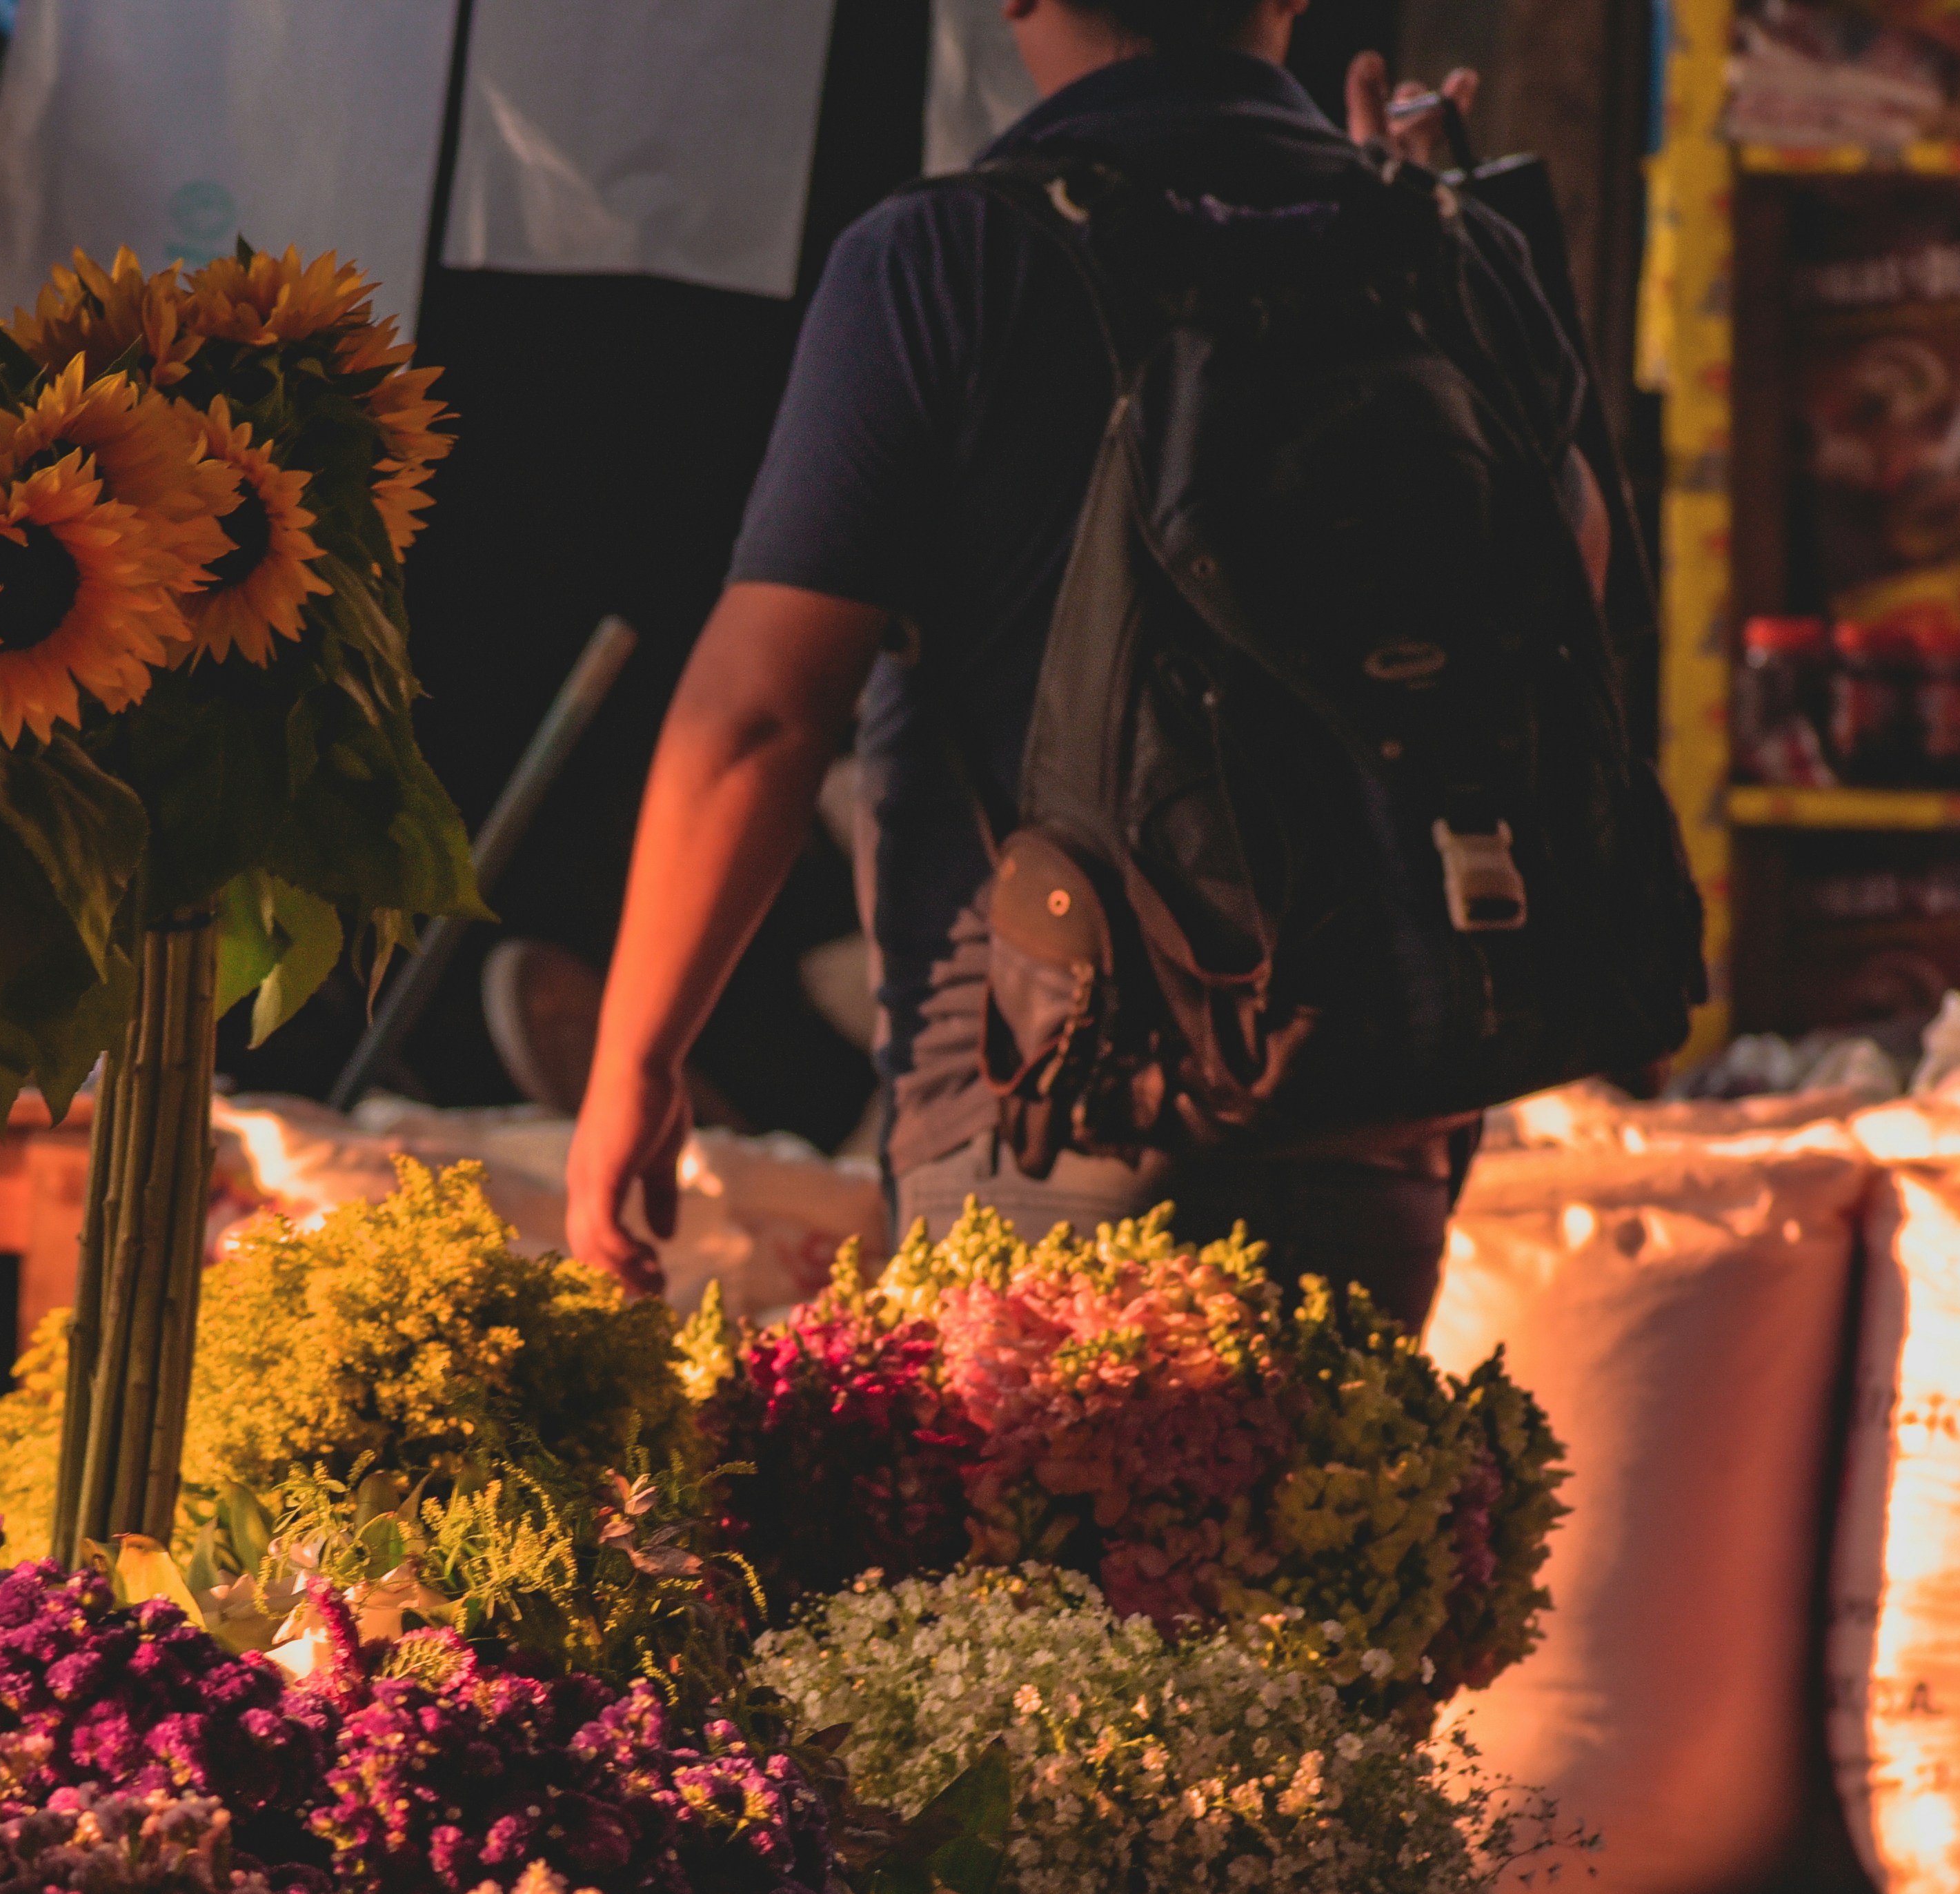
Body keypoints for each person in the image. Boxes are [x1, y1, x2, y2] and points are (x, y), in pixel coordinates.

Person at [562, 0, 1612, 1332]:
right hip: (1385, 1096)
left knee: (1037, 1542)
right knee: (1335, 1531)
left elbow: (765, 711)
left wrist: (636, 1059)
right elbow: (1562, 613)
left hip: (1051, 1102)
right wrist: (1414, 231)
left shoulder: (948, 257)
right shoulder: (1455, 251)